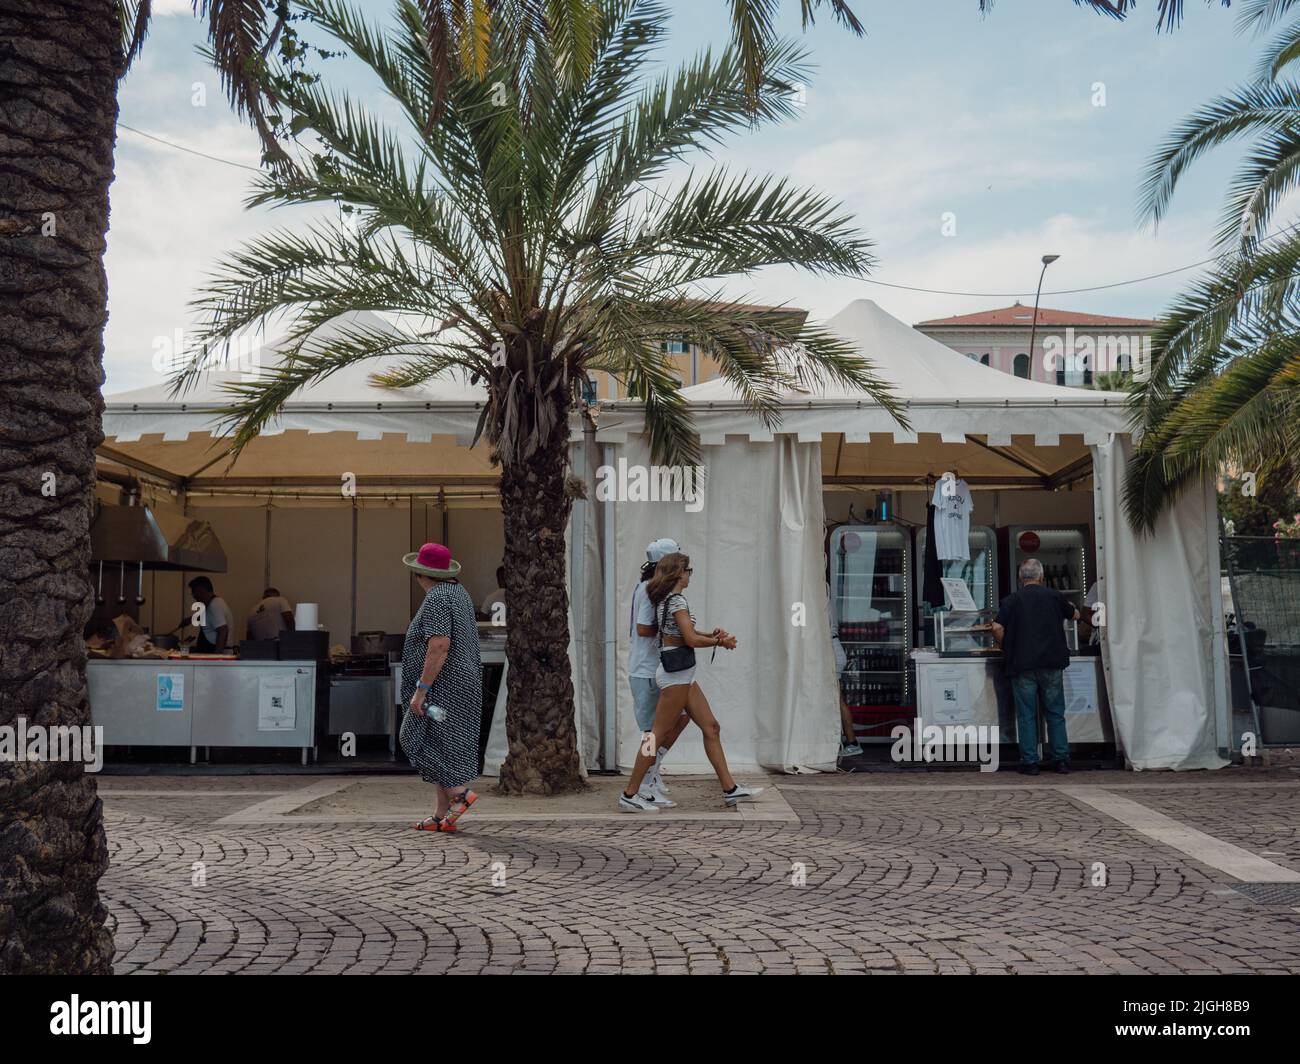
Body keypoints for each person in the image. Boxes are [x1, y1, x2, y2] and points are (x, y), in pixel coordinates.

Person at [619, 553, 762, 812]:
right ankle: (631, 793)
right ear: (679, 573)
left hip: (682, 674)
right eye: (689, 570)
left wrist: (710, 634)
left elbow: (682, 635)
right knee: (655, 734)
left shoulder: (667, 600)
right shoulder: (677, 602)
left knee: (711, 727)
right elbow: (691, 640)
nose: (690, 574)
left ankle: (730, 789)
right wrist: (720, 641)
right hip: (676, 676)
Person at [399, 542, 483, 832]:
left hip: (443, 688)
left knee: (412, 737)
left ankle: (460, 795)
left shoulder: (437, 598)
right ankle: (440, 815)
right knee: (440, 743)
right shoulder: (458, 592)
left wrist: (421, 689)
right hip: (463, 684)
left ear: (421, 575)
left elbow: (439, 645)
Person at [992, 558, 1081, 776]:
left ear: (1021, 578)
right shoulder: (1054, 596)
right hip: (1051, 663)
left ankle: (1030, 762)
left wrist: (1005, 645)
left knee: (1026, 715)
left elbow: (996, 626)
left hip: (1022, 664)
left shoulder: (1012, 600)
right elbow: (1076, 615)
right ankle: (1060, 760)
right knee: (1055, 713)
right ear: (1041, 577)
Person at [629, 538, 692, 805]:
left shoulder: (652, 588)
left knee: (680, 718)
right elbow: (643, 628)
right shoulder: (647, 589)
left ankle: (652, 771)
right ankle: (644, 783)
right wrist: (674, 632)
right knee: (651, 732)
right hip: (645, 669)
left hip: (657, 668)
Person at [187, 576, 232, 652]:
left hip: (214, 656)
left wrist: (217, 656)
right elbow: (209, 618)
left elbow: (223, 630)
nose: (194, 596)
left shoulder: (215, 606)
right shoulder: (212, 603)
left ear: (201, 590)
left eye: (194, 593)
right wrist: (189, 620)